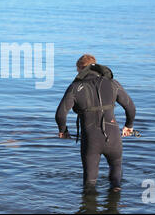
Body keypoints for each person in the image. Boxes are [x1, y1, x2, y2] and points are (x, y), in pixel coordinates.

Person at [55, 54, 136, 193]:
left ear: (80, 68)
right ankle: (115, 195)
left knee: (90, 183)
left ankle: (88, 205)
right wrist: (128, 126)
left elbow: (60, 114)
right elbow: (131, 108)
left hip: (91, 140)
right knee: (116, 171)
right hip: (113, 137)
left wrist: (63, 131)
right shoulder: (113, 83)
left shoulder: (75, 87)